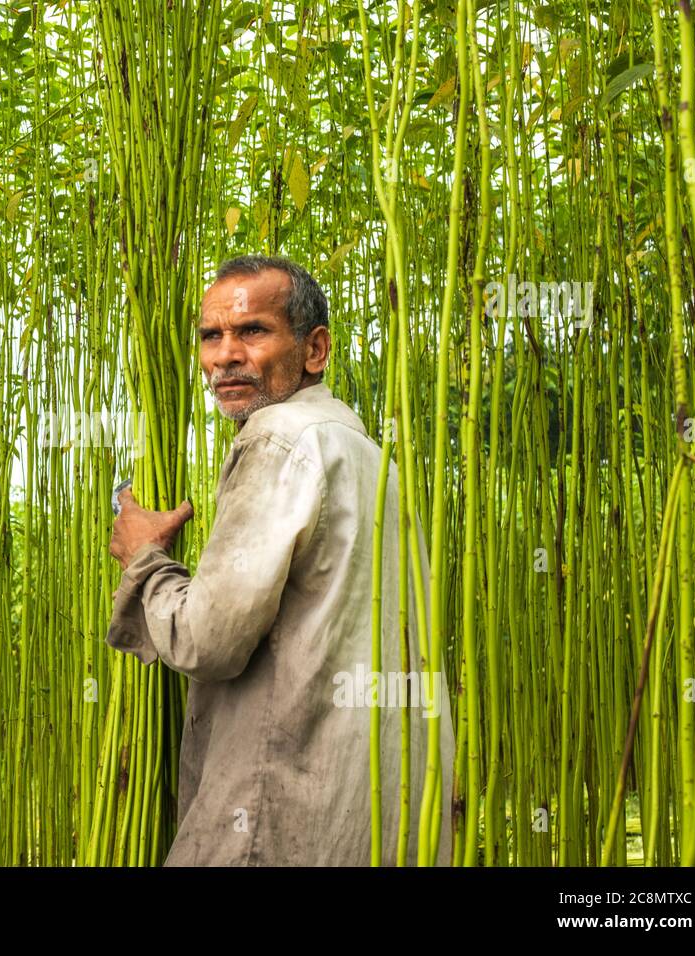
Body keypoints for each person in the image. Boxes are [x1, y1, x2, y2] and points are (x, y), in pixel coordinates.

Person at [105, 254, 454, 865]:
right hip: (371, 811)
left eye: (253, 331)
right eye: (211, 335)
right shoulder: (367, 453)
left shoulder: (278, 438)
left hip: (280, 813)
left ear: (314, 349)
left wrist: (145, 562)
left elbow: (208, 640)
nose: (224, 355)